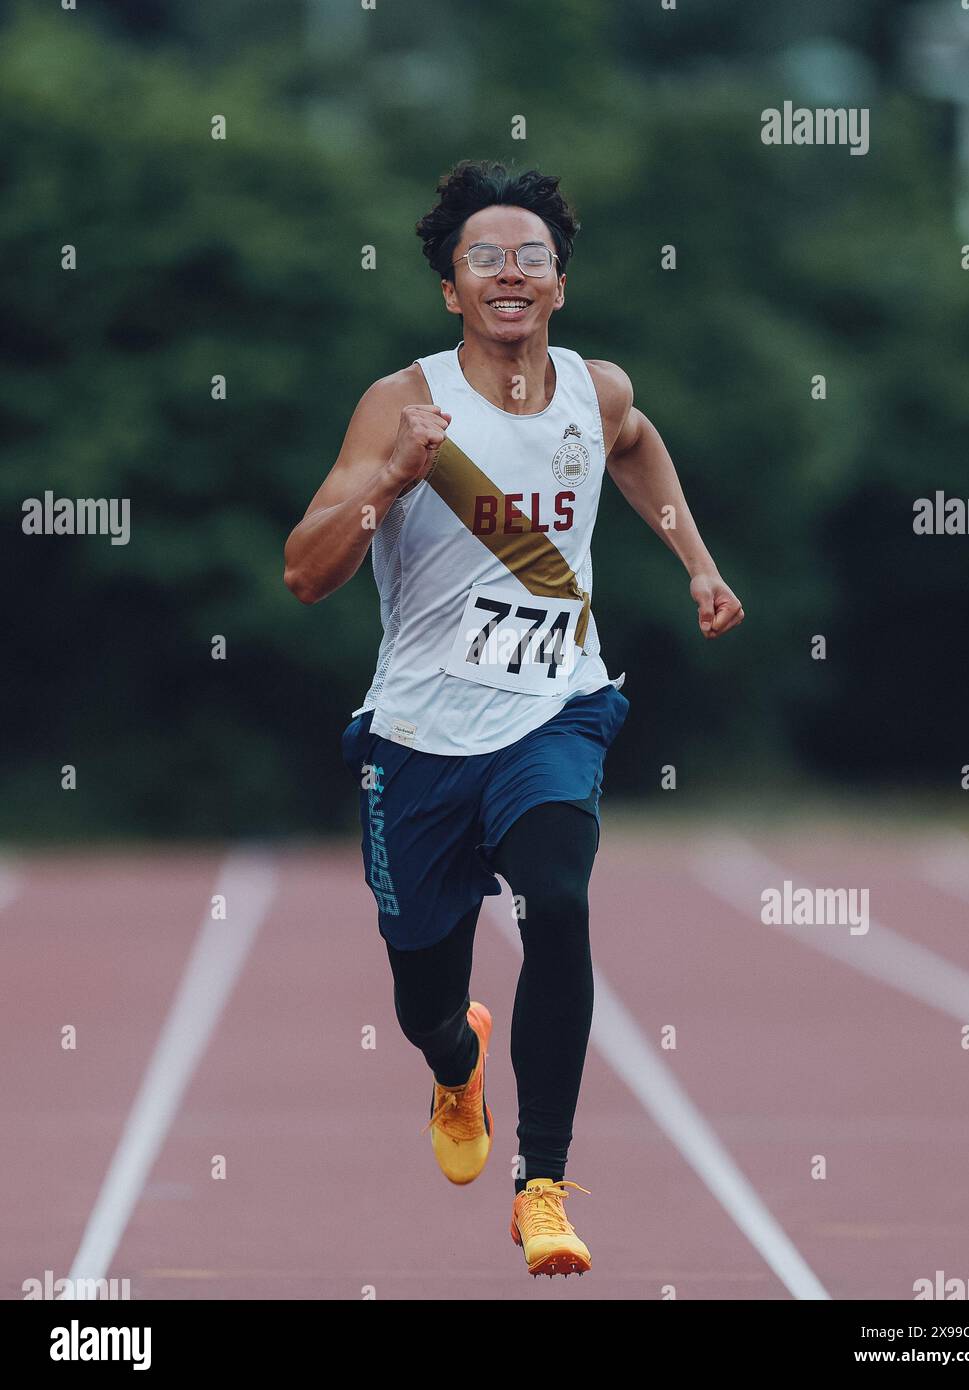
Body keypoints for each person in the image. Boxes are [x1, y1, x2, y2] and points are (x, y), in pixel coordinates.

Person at [283, 160, 744, 1279]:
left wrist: (694, 558)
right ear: (451, 289)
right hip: (418, 738)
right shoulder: (403, 402)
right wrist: (389, 478)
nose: (508, 272)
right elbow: (305, 572)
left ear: (558, 286)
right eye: (483, 257)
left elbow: (635, 449)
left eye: (529, 256)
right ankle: (456, 1063)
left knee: (563, 897)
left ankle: (540, 1184)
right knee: (423, 994)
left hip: (555, 711)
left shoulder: (600, 391)